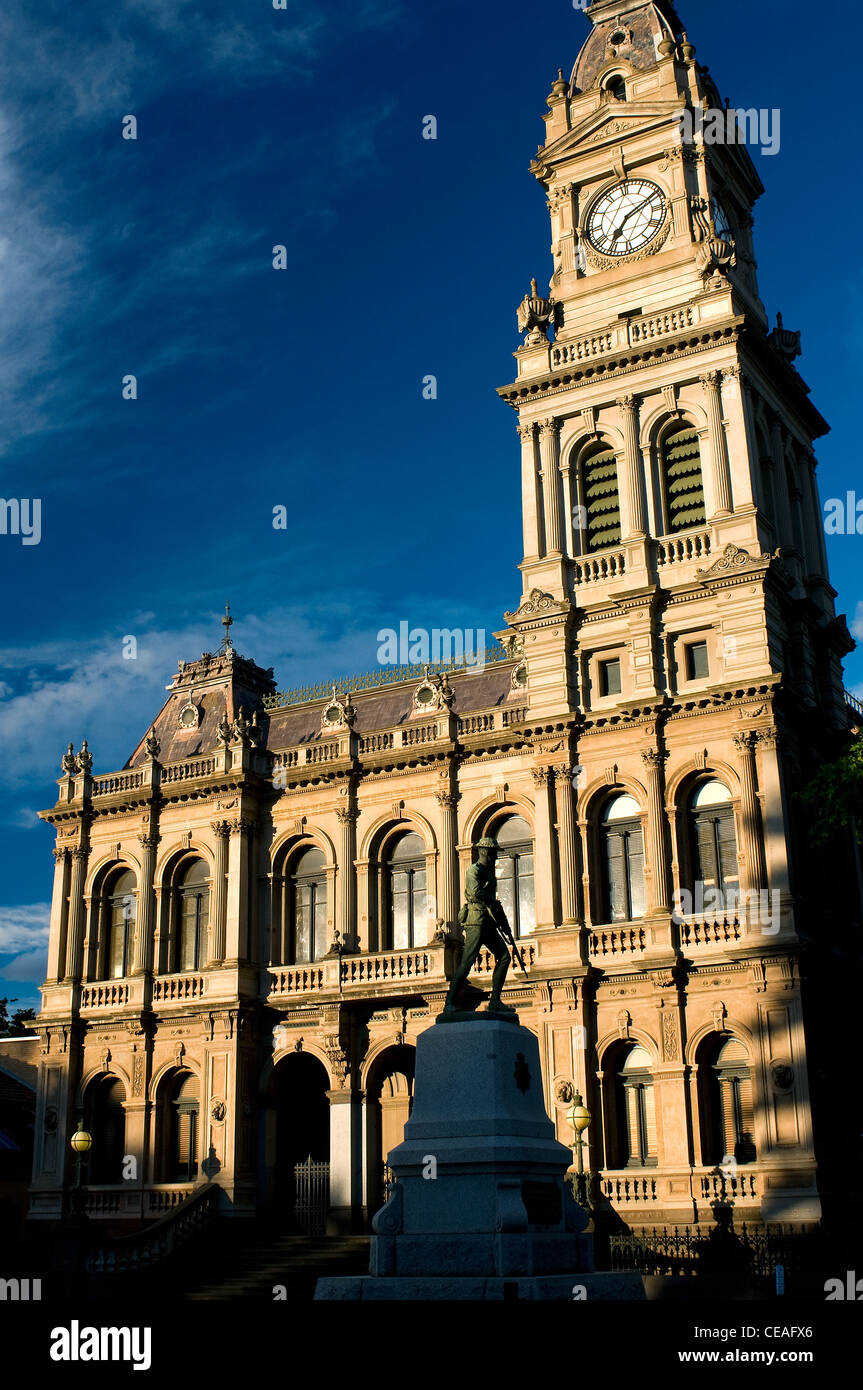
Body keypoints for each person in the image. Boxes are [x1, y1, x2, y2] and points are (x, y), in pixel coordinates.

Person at [443, 836, 517, 1017]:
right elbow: (475, 893)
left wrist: (502, 920)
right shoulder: (473, 871)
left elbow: (490, 899)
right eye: (492, 853)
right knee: (467, 962)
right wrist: (492, 901)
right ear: (484, 851)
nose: (494, 857)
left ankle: (495, 1002)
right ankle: (450, 1002)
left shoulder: (489, 873)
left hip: (489, 923)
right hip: (476, 921)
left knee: (505, 957)